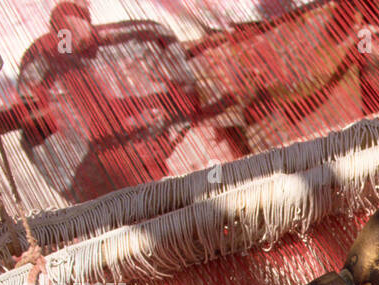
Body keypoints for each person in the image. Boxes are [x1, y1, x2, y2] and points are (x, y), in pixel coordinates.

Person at [17, 2, 241, 202]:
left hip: (165, 163)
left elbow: (187, 98)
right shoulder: (40, 60)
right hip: (116, 183)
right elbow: (37, 126)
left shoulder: (149, 33)